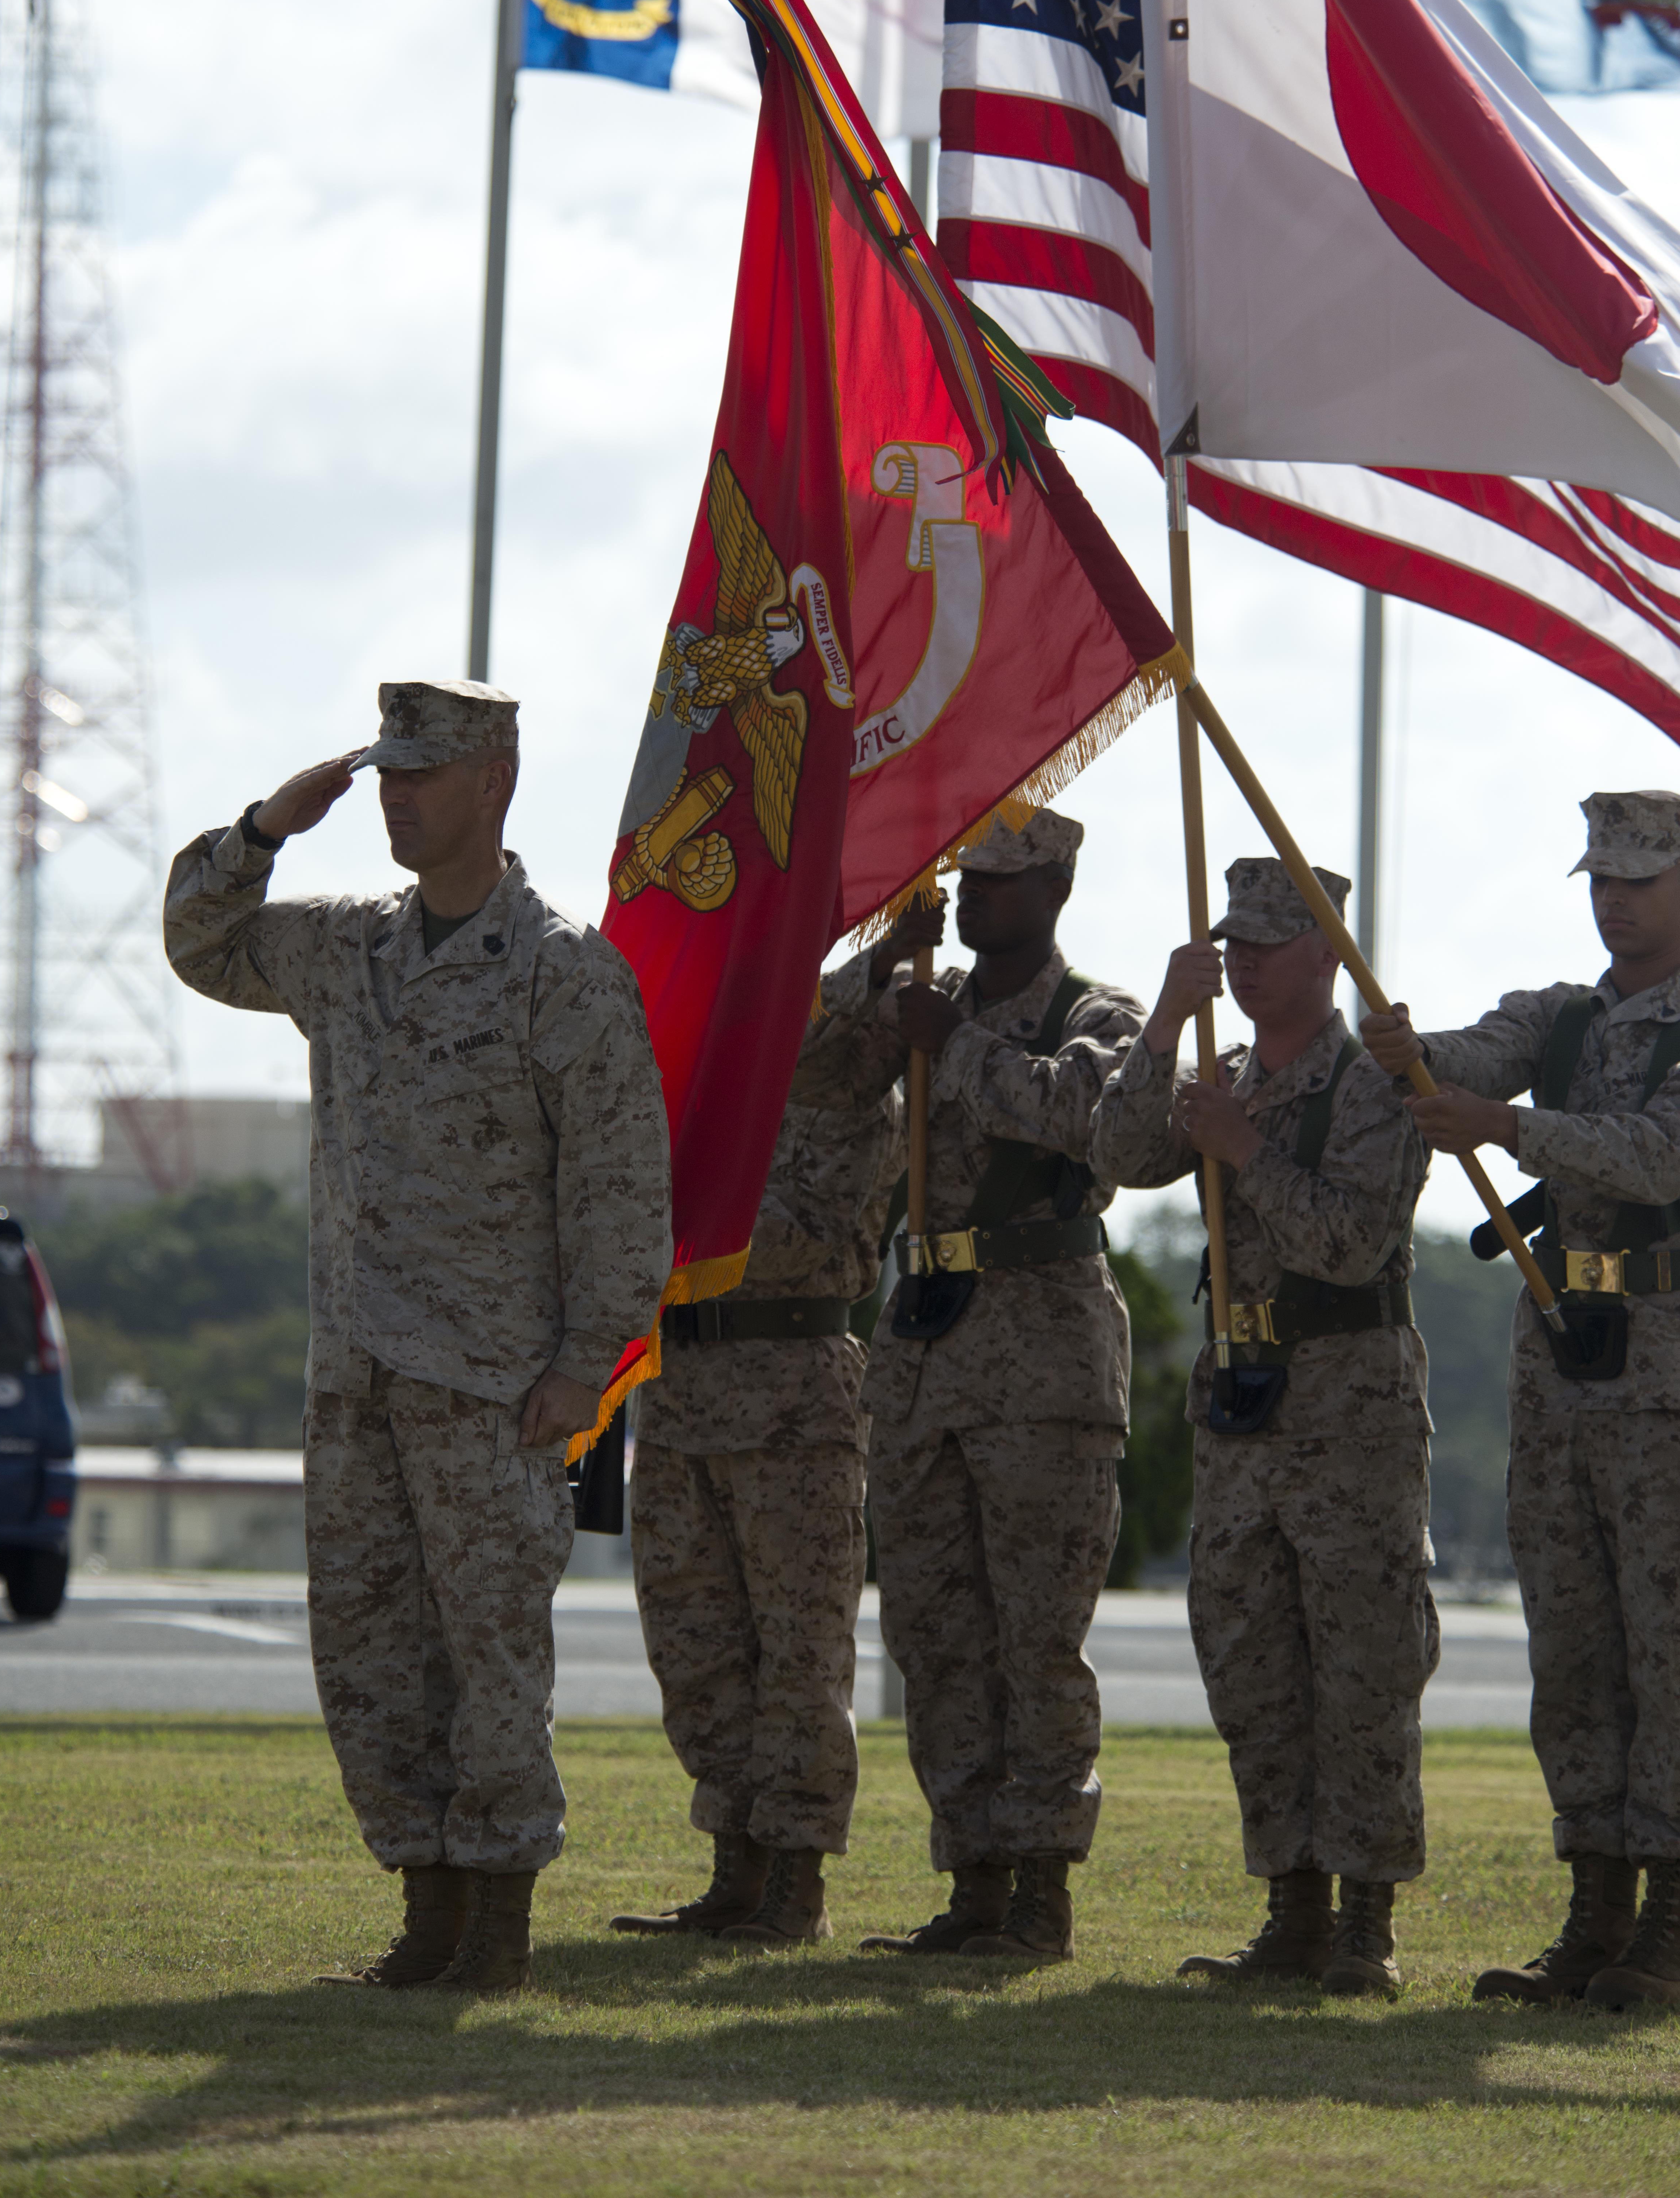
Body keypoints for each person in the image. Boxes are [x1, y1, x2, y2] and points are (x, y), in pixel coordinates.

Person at [163, 679, 671, 1995]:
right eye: (386, 773)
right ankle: (425, 1912)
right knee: (372, 1656)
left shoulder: (563, 973)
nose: (395, 797)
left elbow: (620, 1191)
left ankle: (494, 1920)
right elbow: (201, 945)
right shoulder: (345, 949)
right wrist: (268, 826)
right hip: (358, 1381)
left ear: (494, 778)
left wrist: (584, 1364)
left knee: (491, 1659)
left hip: (493, 1388)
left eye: (422, 775)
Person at [794, 808, 1144, 1966]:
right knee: (937, 1636)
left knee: (1035, 1635)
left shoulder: (1095, 1015)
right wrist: (886, 960)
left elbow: (1098, 1120)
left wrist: (958, 1047)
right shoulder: (917, 998)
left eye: (1004, 876)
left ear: (1058, 883)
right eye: (968, 876)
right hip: (928, 1351)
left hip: (1040, 1353)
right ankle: (974, 1882)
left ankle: (1042, 1892)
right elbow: (799, 1072)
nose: (979, 893)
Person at [1090, 857, 1434, 1999]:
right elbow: (1122, 1158)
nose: (1240, 959)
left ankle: (1367, 1920)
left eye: (1266, 942)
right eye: (1229, 940)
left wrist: (1247, 1153)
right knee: (1251, 1660)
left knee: (1363, 1660)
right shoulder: (1217, 1068)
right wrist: (1163, 1028)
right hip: (1243, 1401)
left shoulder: (1376, 1086)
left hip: (1349, 1401)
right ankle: (1292, 1907)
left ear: (1328, 953)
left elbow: (1349, 1242)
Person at [1363, 791, 1680, 2011]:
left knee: (1667, 1646)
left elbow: (1657, 1155)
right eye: (1601, 877)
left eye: (1642, 879)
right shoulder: (1559, 1018)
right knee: (1577, 1647)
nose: (1617, 900)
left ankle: (1669, 1923)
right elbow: (1453, 1061)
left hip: (1661, 1363)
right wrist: (1405, 1054)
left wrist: (1506, 1128)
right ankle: (1596, 1912)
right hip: (1562, 1357)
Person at [609, 1042, 903, 1950]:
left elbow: (805, 1227)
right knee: (695, 1643)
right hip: (679, 1386)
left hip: (788, 1392)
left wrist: (656, 1209)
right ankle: (733, 1865)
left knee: (798, 1651)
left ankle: (794, 1878)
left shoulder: (850, 1088)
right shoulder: (696, 1080)